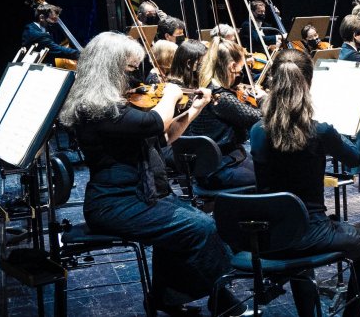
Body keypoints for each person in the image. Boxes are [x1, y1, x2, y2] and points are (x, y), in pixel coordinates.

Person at [58, 32, 244, 315]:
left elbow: (164, 137)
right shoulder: (97, 110)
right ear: (110, 69)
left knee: (192, 222)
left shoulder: (120, 105)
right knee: (200, 228)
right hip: (115, 204)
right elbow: (154, 123)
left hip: (142, 194)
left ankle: (166, 298)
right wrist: (170, 93)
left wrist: (196, 107)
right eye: (130, 70)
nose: (135, 78)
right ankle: (222, 297)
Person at [251, 49, 360, 317]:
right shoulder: (319, 130)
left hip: (269, 234)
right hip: (311, 233)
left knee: (299, 256)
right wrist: (356, 128)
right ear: (309, 83)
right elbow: (356, 159)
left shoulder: (256, 131)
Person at [185, 38, 260, 189]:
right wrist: (265, 100)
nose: (241, 74)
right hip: (219, 170)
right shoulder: (221, 97)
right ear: (232, 66)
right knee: (274, 172)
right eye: (241, 69)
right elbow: (257, 118)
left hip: (210, 166)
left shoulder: (207, 86)